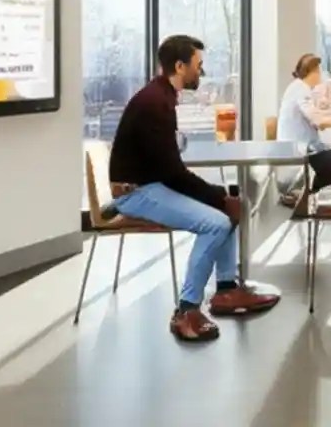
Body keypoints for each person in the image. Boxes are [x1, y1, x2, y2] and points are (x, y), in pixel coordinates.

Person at [109, 35, 279, 342]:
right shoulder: (154, 104)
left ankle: (226, 290)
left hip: (150, 184)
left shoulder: (160, 97)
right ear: (179, 66)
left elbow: (169, 170)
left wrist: (219, 198)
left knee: (224, 205)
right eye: (198, 65)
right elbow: (172, 173)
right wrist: (217, 198)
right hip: (136, 193)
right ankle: (186, 310)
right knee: (216, 221)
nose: (201, 72)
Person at [275, 53, 331, 207]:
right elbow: (318, 120)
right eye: (319, 70)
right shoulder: (300, 90)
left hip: (306, 146)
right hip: (298, 149)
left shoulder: (300, 88)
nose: (320, 75)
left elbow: (317, 114)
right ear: (313, 71)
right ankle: (316, 199)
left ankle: (326, 196)